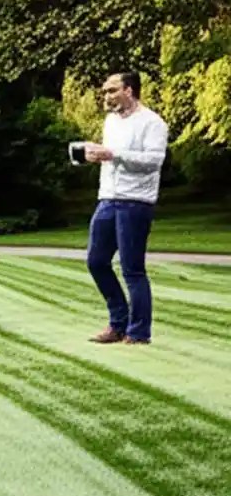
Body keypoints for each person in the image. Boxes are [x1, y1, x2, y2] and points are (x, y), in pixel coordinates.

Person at [84, 72, 169, 345]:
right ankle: (117, 323)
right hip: (108, 198)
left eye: (112, 90)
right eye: (105, 91)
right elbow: (111, 156)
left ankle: (139, 332)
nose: (106, 96)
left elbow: (153, 161)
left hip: (136, 202)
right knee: (96, 261)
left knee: (132, 269)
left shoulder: (153, 123)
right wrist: (93, 156)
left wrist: (114, 155)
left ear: (129, 90)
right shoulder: (110, 122)